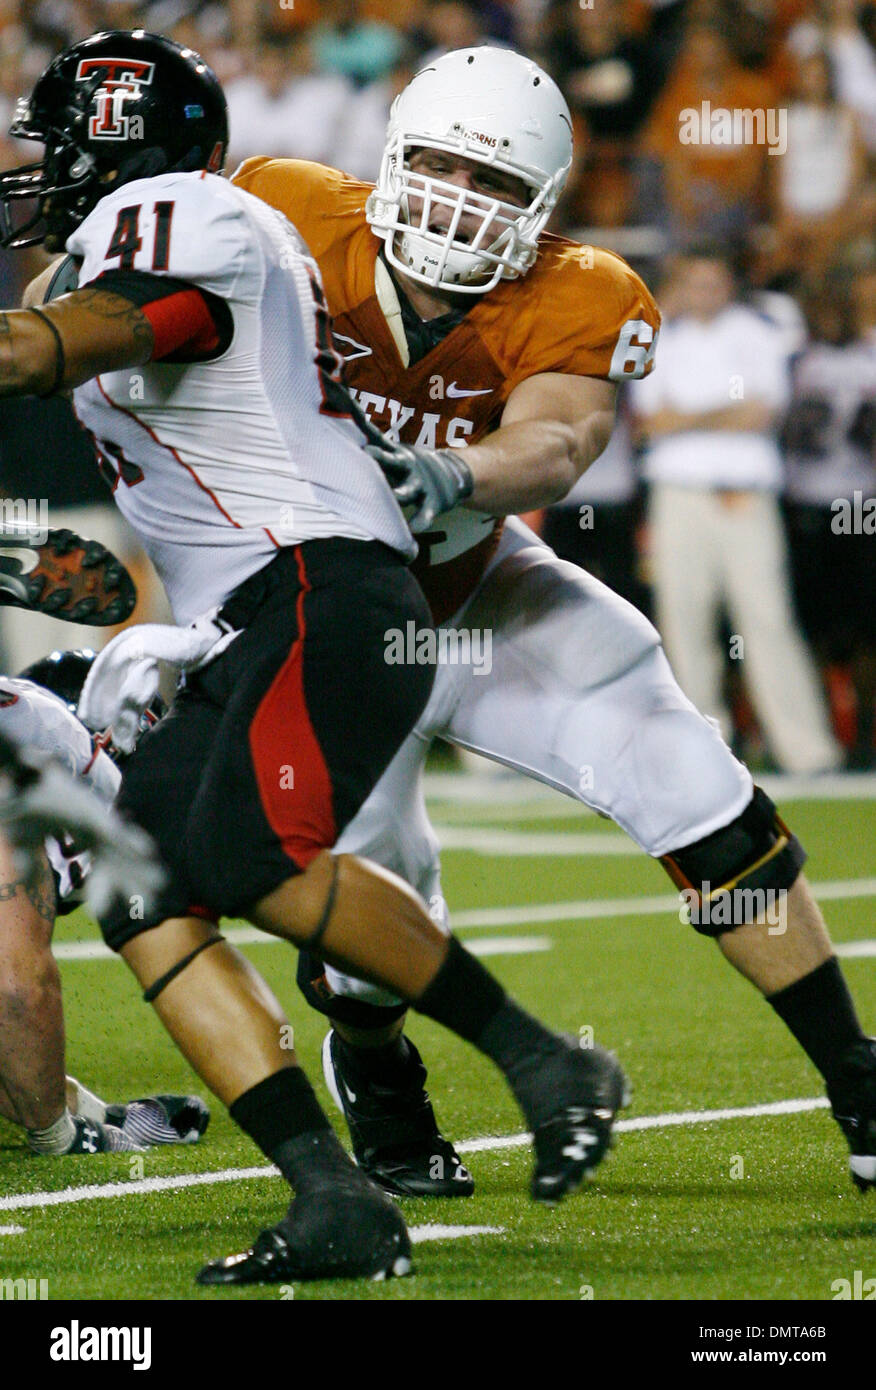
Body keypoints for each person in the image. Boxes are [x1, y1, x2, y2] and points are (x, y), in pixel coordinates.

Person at [0, 30, 628, 1285]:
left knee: (247, 859)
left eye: (58, 144)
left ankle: (546, 1059)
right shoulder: (142, 233)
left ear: (122, 151)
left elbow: (96, 335)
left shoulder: (183, 216)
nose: (39, 167)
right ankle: (333, 1195)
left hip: (317, 589)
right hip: (246, 613)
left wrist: (39, 339)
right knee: (143, 892)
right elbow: (135, 497)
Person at [229, 44, 876, 1201]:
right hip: (311, 627)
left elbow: (561, 439)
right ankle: (377, 1077)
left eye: (493, 185)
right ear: (389, 157)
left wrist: (453, 475)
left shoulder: (583, 288)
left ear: (541, 206)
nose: (458, 203)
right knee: (381, 908)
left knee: (692, 778)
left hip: (471, 580)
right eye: (438, 166)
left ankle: (861, 1079)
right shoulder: (281, 209)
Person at [633, 244, 842, 775]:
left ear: (730, 285)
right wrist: (716, 414)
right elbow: (649, 421)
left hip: (744, 495)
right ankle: (703, 755)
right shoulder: (659, 335)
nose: (705, 293)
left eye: (714, 283)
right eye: (694, 283)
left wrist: (688, 419)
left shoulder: (756, 331)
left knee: (767, 620)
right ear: (680, 284)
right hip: (678, 495)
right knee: (684, 625)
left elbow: (760, 412)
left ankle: (806, 750)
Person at [0, 651, 210, 1154]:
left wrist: (92, 1110)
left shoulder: (34, 730)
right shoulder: (52, 748)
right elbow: (15, 991)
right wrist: (60, 1132)